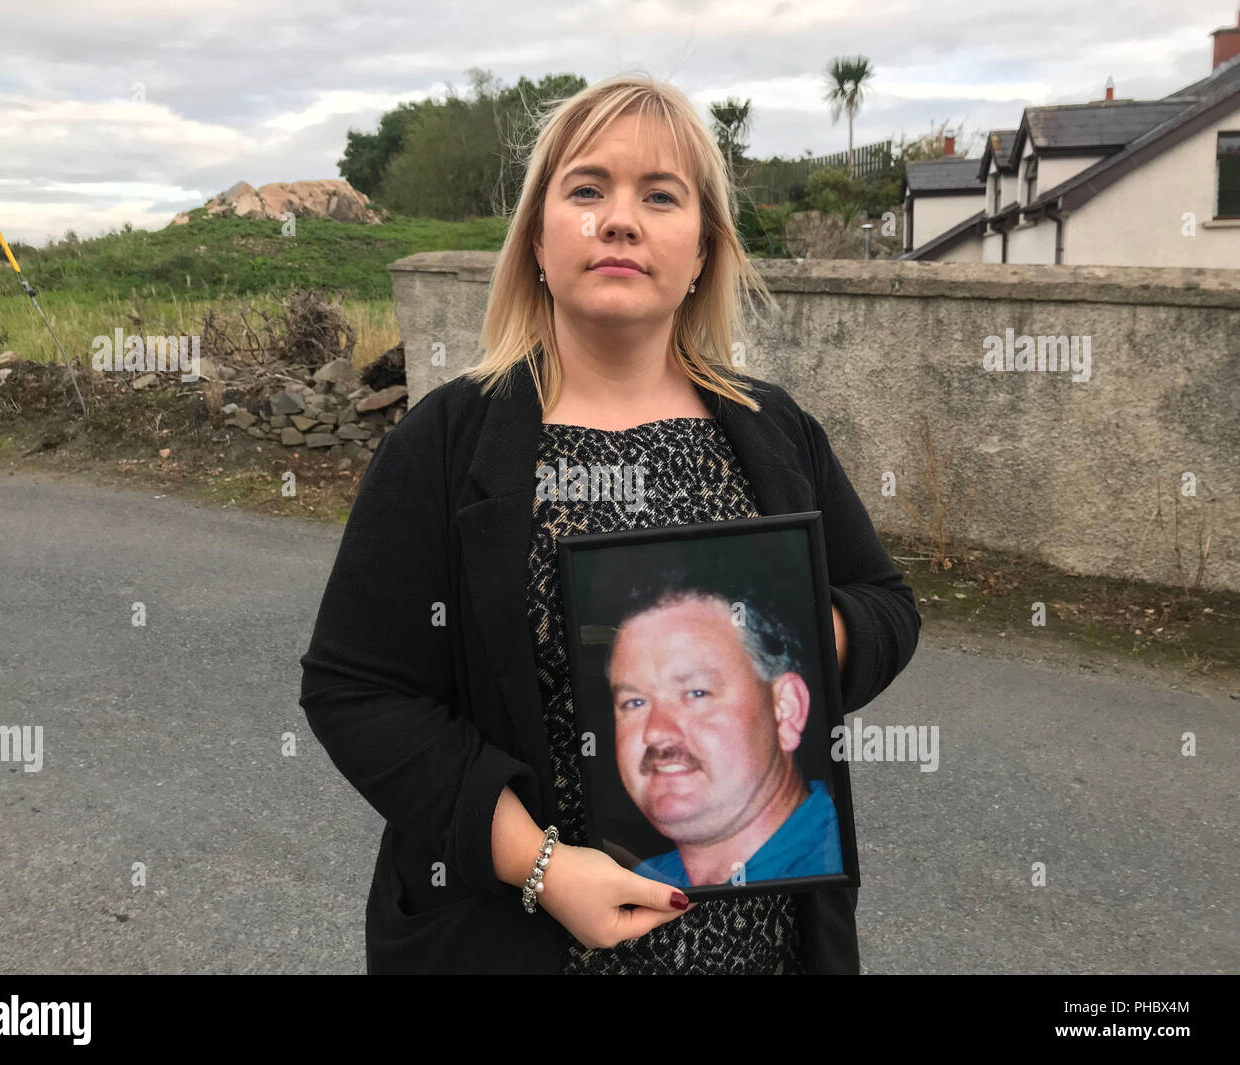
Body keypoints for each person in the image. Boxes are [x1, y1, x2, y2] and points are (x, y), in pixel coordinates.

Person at [299, 73, 921, 975]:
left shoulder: (774, 431)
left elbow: (886, 608)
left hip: (762, 947)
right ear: (539, 242)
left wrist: (784, 635)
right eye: (586, 190)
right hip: (516, 941)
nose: (619, 220)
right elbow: (357, 692)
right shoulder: (446, 442)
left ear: (703, 249)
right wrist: (540, 866)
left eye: (660, 196)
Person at [602, 585, 844, 888]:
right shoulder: (645, 879)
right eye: (634, 702)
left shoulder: (820, 872)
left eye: (697, 693)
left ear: (787, 709)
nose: (656, 731)